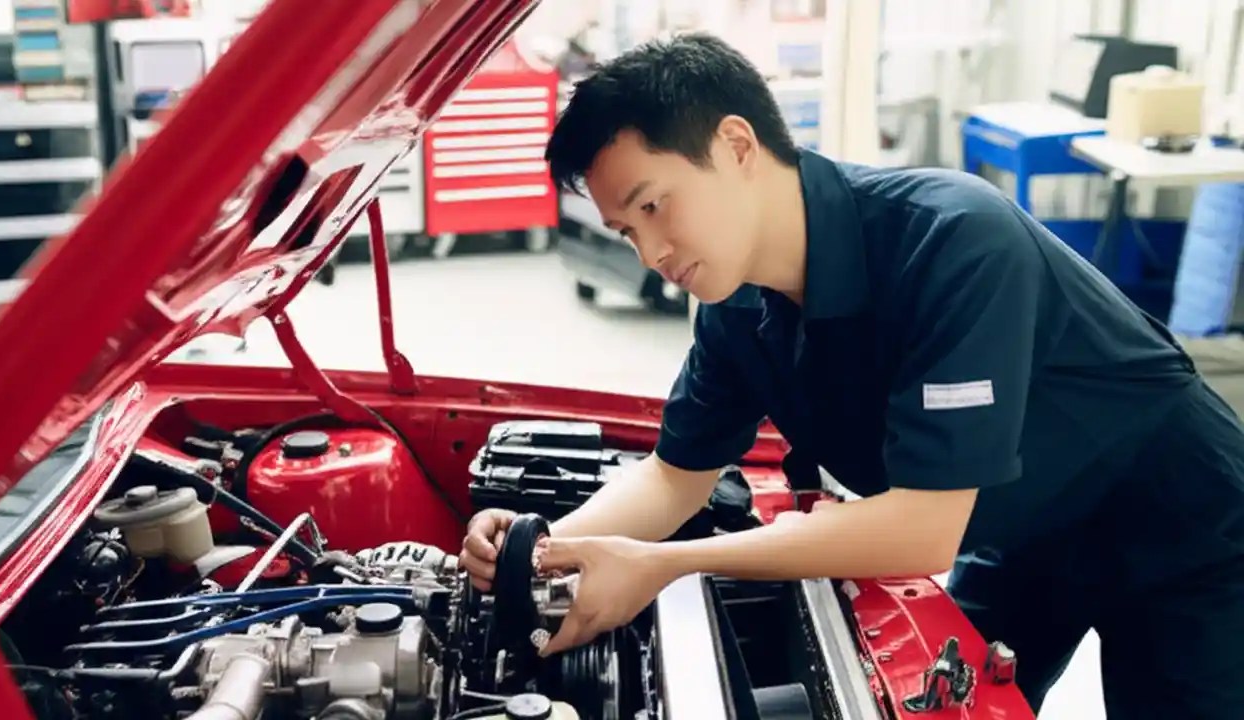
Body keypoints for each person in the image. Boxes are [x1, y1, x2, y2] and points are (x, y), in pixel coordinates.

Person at [459, 33, 1244, 717]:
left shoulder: (952, 239)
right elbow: (676, 478)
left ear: (736, 146)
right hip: (1017, 527)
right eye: (628, 232)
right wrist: (547, 549)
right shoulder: (737, 305)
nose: (652, 256)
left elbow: (923, 530)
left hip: (1181, 531)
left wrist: (662, 566)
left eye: (656, 207)